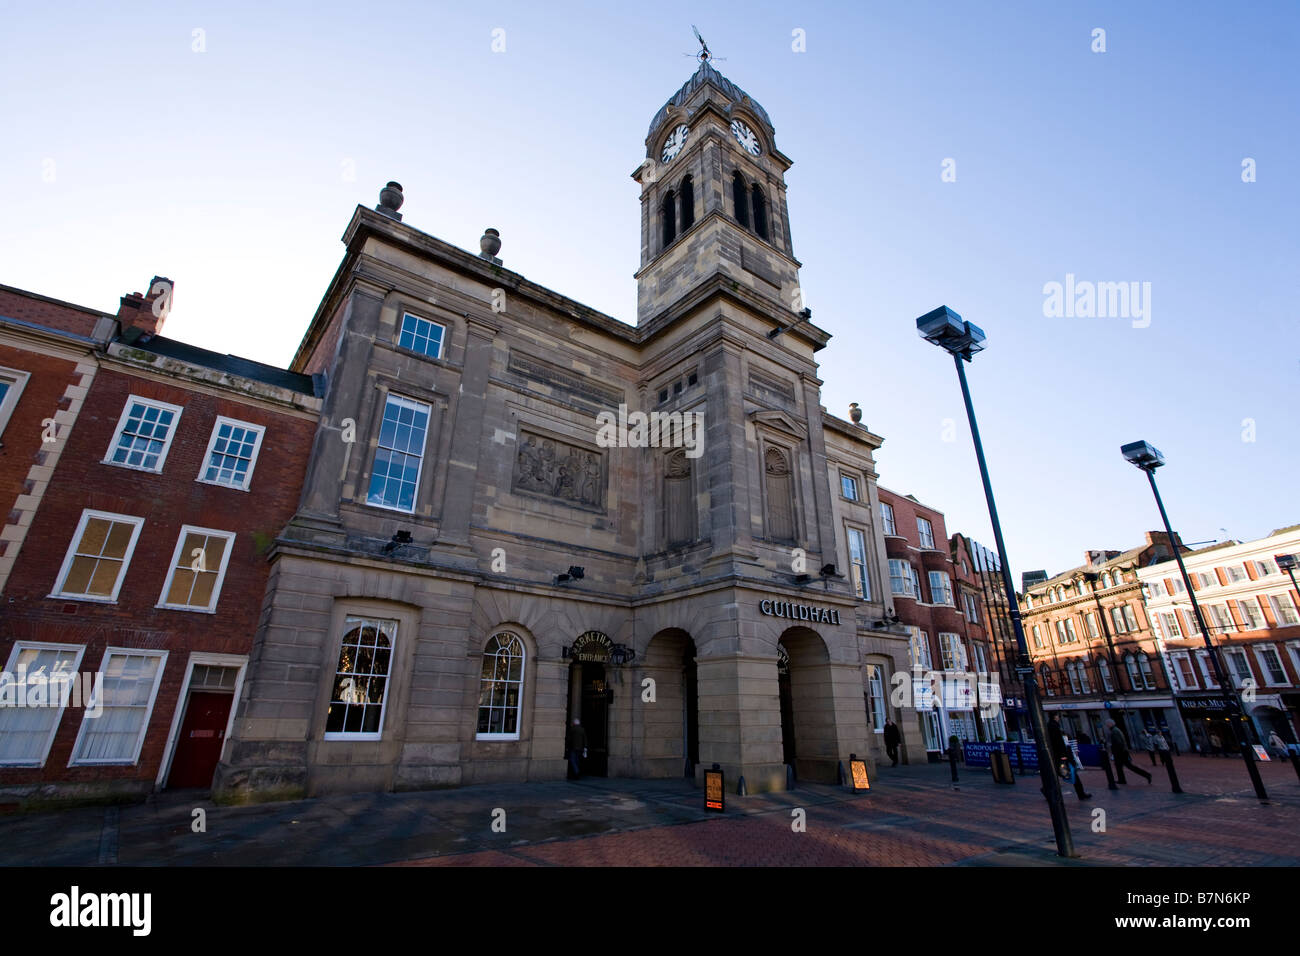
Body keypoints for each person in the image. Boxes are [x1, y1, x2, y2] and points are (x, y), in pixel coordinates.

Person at [1048, 715, 1091, 799]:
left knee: (1057, 774)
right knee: (1071, 772)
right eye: (1057, 716)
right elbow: (1059, 743)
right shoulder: (1055, 727)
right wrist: (1064, 756)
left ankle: (1048, 791)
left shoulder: (1051, 726)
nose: (1059, 718)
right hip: (1061, 756)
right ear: (1055, 717)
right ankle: (1081, 794)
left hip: (1057, 756)